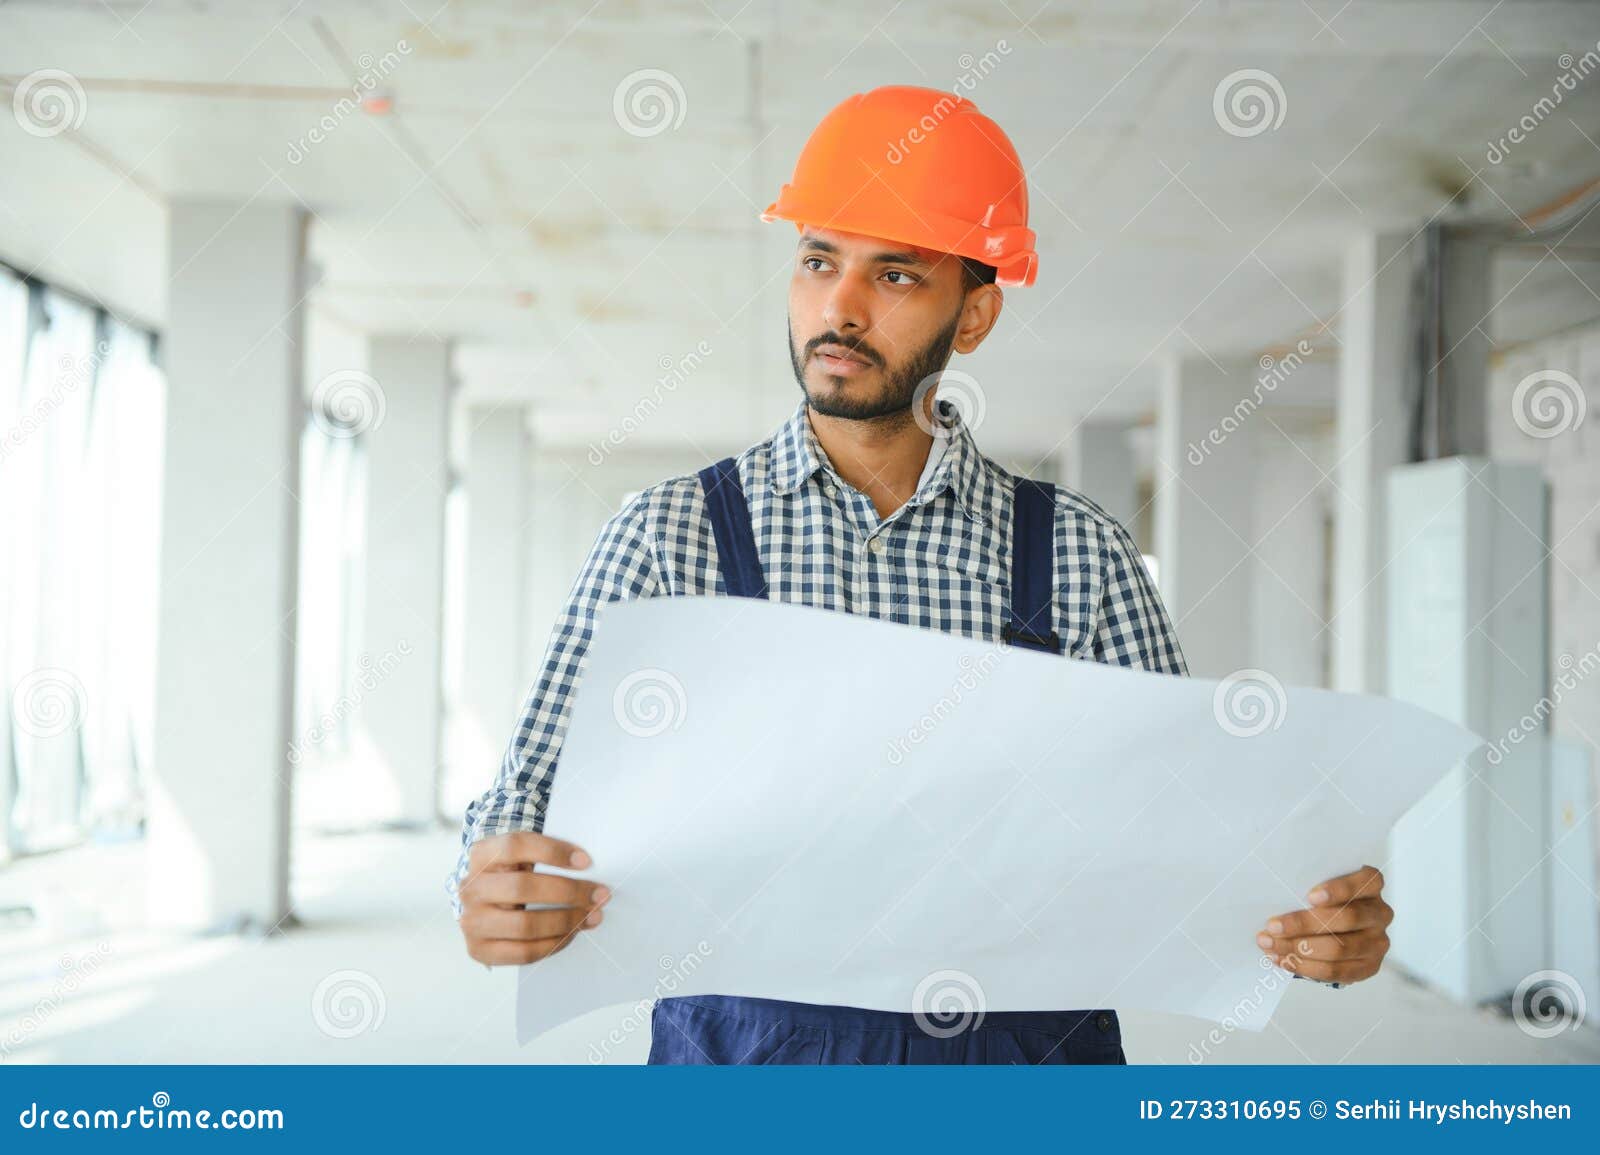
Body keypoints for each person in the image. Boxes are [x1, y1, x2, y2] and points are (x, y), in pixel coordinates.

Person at [449, 85, 1393, 1064]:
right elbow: (527, 805)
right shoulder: (669, 538)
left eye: (895, 274)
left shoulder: (1077, 555)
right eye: (818, 261)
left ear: (974, 315)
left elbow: (1201, 843)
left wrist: (1313, 927)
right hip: (747, 1063)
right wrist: (490, 888)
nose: (839, 307)